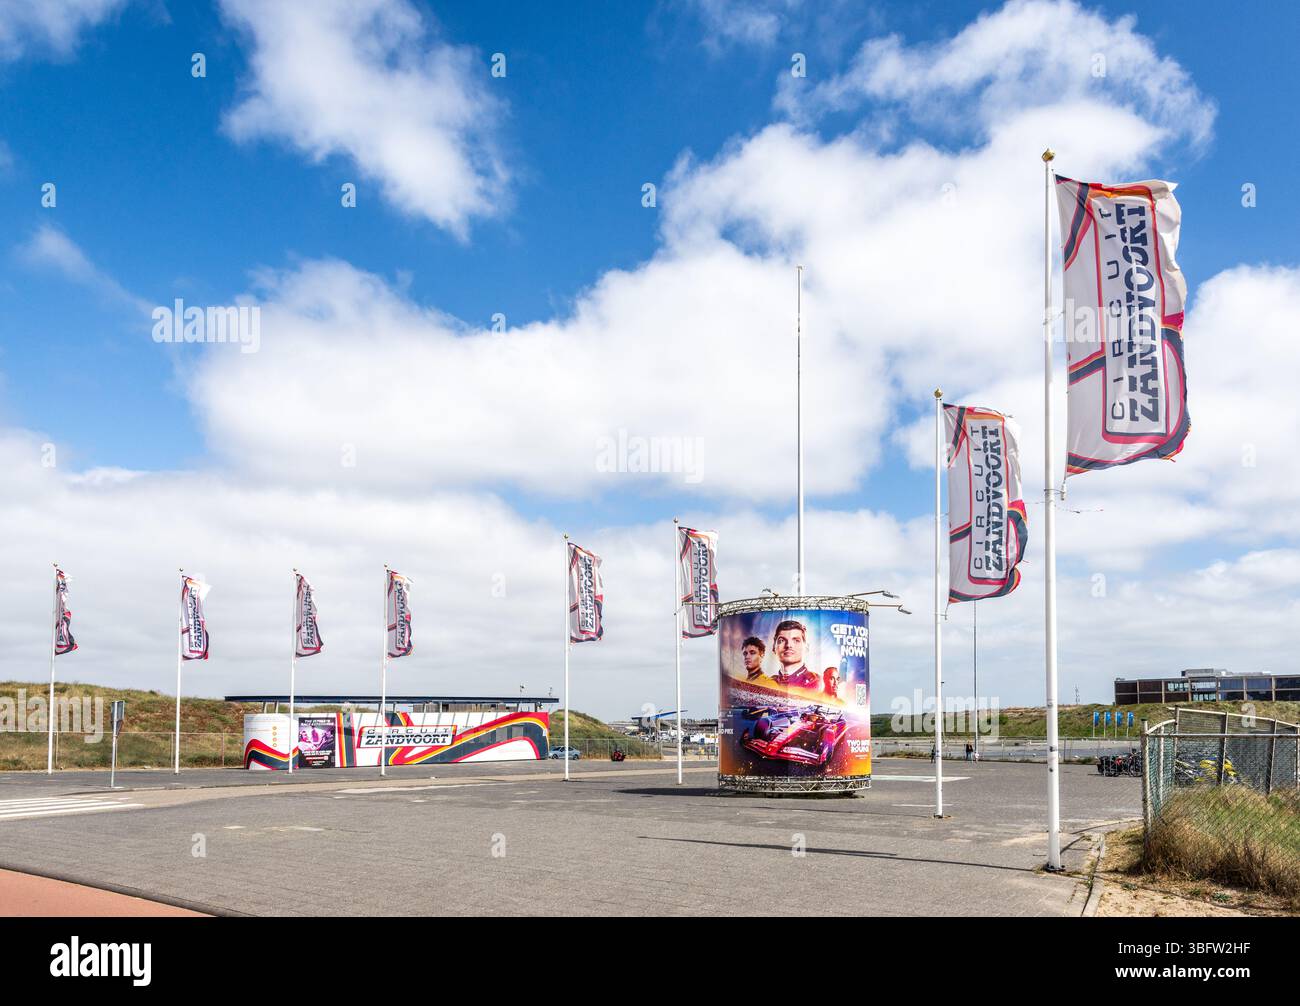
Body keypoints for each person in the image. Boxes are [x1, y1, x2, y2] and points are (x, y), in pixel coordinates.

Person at [770, 620, 819, 689]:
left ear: (806, 647)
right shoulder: (768, 683)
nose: (788, 645)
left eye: (796, 640)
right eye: (782, 640)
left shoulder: (817, 683)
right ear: (774, 647)